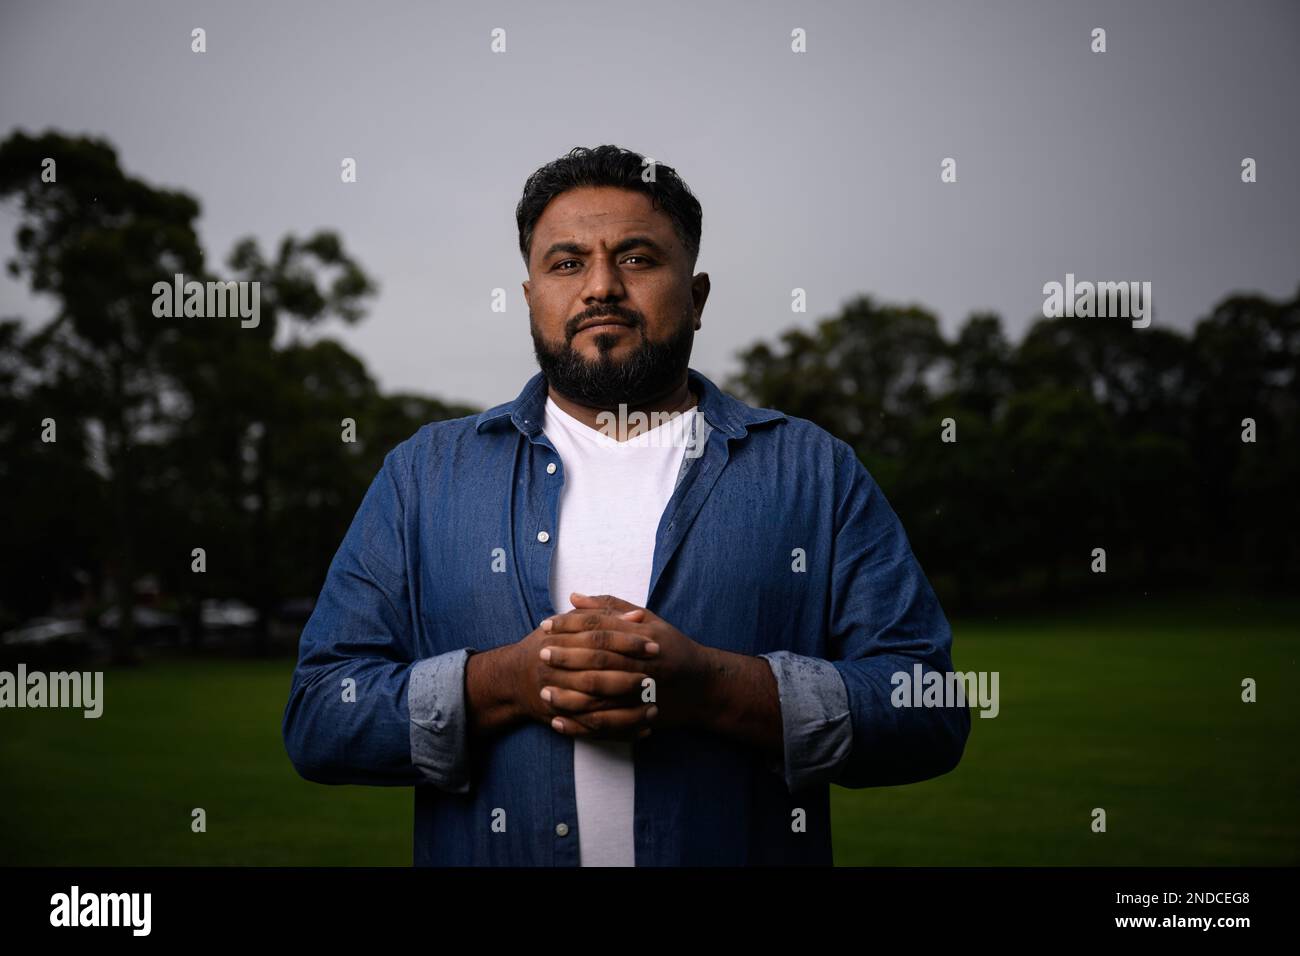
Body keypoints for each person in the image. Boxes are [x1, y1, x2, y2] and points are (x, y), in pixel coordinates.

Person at [281, 145, 969, 866]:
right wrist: (504, 684)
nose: (601, 287)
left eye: (637, 259)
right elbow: (322, 715)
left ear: (697, 297)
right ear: (530, 296)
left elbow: (928, 711)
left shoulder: (814, 471)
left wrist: (710, 689)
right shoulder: (421, 476)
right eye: (567, 263)